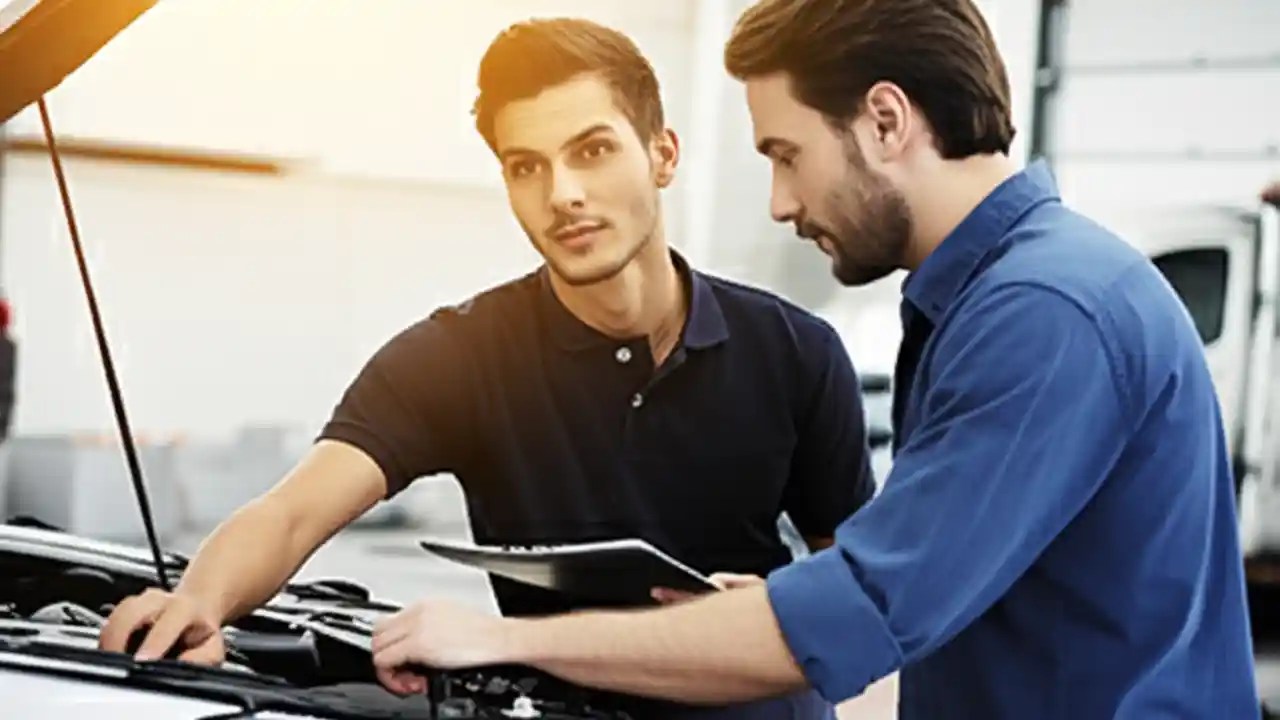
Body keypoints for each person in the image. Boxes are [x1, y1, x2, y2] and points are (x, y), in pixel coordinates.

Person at [366, 1, 1263, 718]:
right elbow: (929, 575)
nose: (781, 203)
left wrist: (503, 641)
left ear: (884, 121)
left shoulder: (1042, 312)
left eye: (786, 155)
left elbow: (859, 617)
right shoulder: (1011, 291)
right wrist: (775, 601)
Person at [97, 15, 874, 720]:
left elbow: (860, 593)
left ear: (662, 154)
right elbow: (293, 511)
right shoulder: (459, 356)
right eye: (525, 166)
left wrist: (785, 606)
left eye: (593, 151)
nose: (562, 194)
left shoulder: (798, 354)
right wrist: (199, 600)